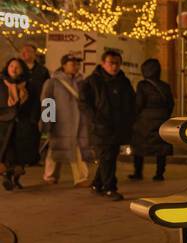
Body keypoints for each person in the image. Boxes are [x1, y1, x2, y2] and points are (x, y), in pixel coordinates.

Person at [80, 49, 135, 200]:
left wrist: (129, 120)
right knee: (107, 157)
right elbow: (84, 103)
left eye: (117, 63)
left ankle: (97, 184)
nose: (114, 66)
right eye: (111, 63)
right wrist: (95, 119)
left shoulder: (123, 81)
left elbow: (131, 102)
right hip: (100, 127)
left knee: (109, 157)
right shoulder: (92, 81)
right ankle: (109, 188)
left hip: (118, 126)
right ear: (103, 63)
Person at [40, 54, 91, 186]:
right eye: (73, 64)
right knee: (56, 148)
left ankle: (81, 177)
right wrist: (47, 122)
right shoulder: (53, 82)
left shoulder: (82, 82)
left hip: (79, 122)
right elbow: (47, 102)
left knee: (78, 148)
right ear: (64, 65)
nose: (76, 67)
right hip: (60, 122)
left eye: (78, 64)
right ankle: (50, 175)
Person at [129, 58, 174, 181]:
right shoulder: (165, 86)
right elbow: (171, 104)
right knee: (161, 148)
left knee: (139, 146)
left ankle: (138, 172)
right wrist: (164, 115)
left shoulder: (142, 85)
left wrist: (134, 116)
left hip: (145, 121)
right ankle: (159, 174)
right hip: (162, 120)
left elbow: (139, 103)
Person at [0, 58, 39, 190]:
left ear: (22, 69)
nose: (14, 69)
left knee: (20, 155)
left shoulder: (30, 85)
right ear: (7, 68)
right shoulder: (1, 83)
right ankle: (7, 176)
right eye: (11, 66)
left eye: (17, 67)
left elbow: (36, 104)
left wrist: (35, 120)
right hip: (4, 124)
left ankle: (15, 178)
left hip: (23, 124)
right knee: (7, 153)